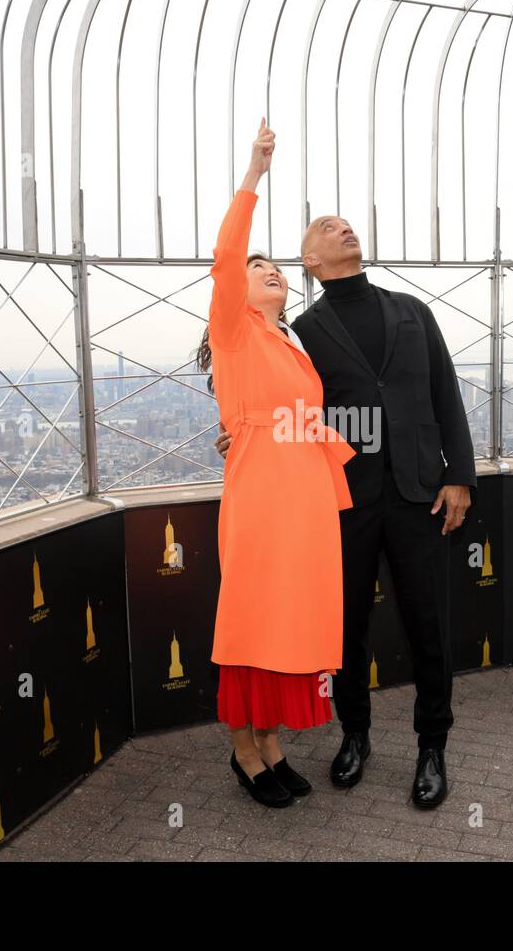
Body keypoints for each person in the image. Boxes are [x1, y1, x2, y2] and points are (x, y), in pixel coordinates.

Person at [215, 212, 476, 809]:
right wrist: (238, 433)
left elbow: (446, 390)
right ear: (311, 258)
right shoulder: (303, 329)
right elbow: (276, 392)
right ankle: (354, 736)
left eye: (348, 225)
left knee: (428, 627)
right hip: (339, 498)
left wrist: (459, 473)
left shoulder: (413, 311)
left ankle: (432, 746)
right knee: (346, 629)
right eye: (328, 228)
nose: (345, 231)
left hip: (420, 493)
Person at [196, 119, 356, 809]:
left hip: (304, 499)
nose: (271, 273)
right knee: (252, 618)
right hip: (263, 496)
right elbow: (227, 258)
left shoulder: (291, 344)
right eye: (260, 270)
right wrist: (254, 176)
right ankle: (243, 750)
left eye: (277, 269)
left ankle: (273, 742)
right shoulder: (233, 331)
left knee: (291, 617)